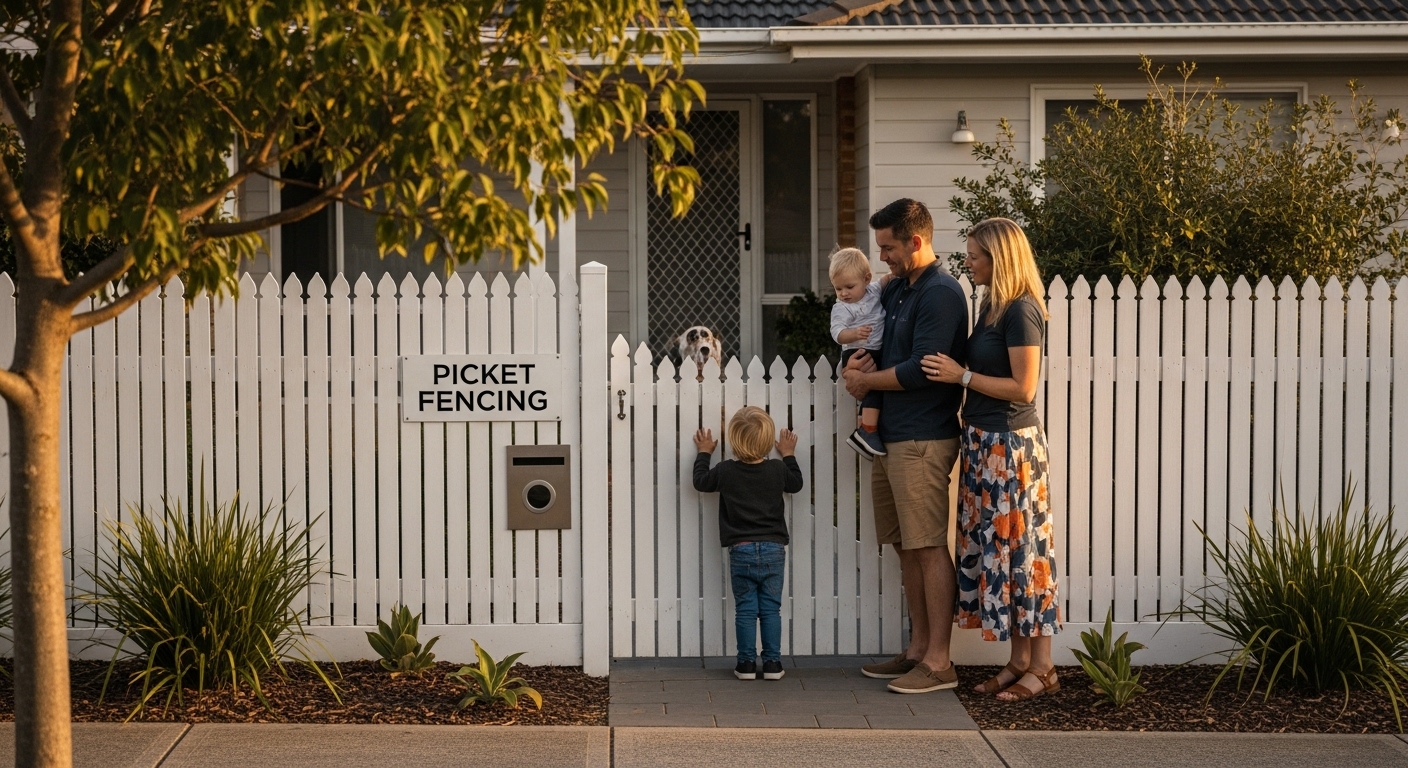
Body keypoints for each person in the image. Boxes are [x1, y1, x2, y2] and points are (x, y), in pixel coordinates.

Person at [921, 217, 1062, 702]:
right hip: (982, 442)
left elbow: (1023, 387)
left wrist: (961, 378)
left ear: (999, 258)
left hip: (1011, 448)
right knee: (1000, 554)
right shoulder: (991, 305)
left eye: (976, 255)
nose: (968, 262)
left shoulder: (1022, 310)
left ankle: (1043, 668)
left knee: (1024, 556)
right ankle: (1018, 661)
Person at [841, 198, 969, 694]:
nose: (883, 259)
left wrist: (868, 385)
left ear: (916, 242)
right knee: (903, 544)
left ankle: (940, 662)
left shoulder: (940, 294)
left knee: (928, 546)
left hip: (922, 438)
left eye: (890, 248)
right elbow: (879, 350)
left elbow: (924, 369)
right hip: (889, 437)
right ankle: (917, 649)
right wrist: (856, 372)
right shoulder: (896, 291)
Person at [692, 406, 803, 681]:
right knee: (770, 608)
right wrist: (788, 454)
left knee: (745, 608)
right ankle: (773, 664)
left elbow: (700, 482)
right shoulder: (777, 470)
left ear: (733, 440)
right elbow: (796, 484)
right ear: (767, 442)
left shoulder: (726, 471)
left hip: (740, 550)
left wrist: (704, 452)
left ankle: (745, 665)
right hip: (773, 549)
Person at [828, 246, 888, 458]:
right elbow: (837, 333)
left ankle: (864, 424)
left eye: (849, 287)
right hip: (857, 351)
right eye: (838, 289)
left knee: (877, 388)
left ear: (866, 279)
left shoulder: (873, 290)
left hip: (875, 349)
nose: (843, 293)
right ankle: (868, 430)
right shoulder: (842, 308)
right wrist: (853, 333)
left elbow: (886, 280)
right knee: (874, 388)